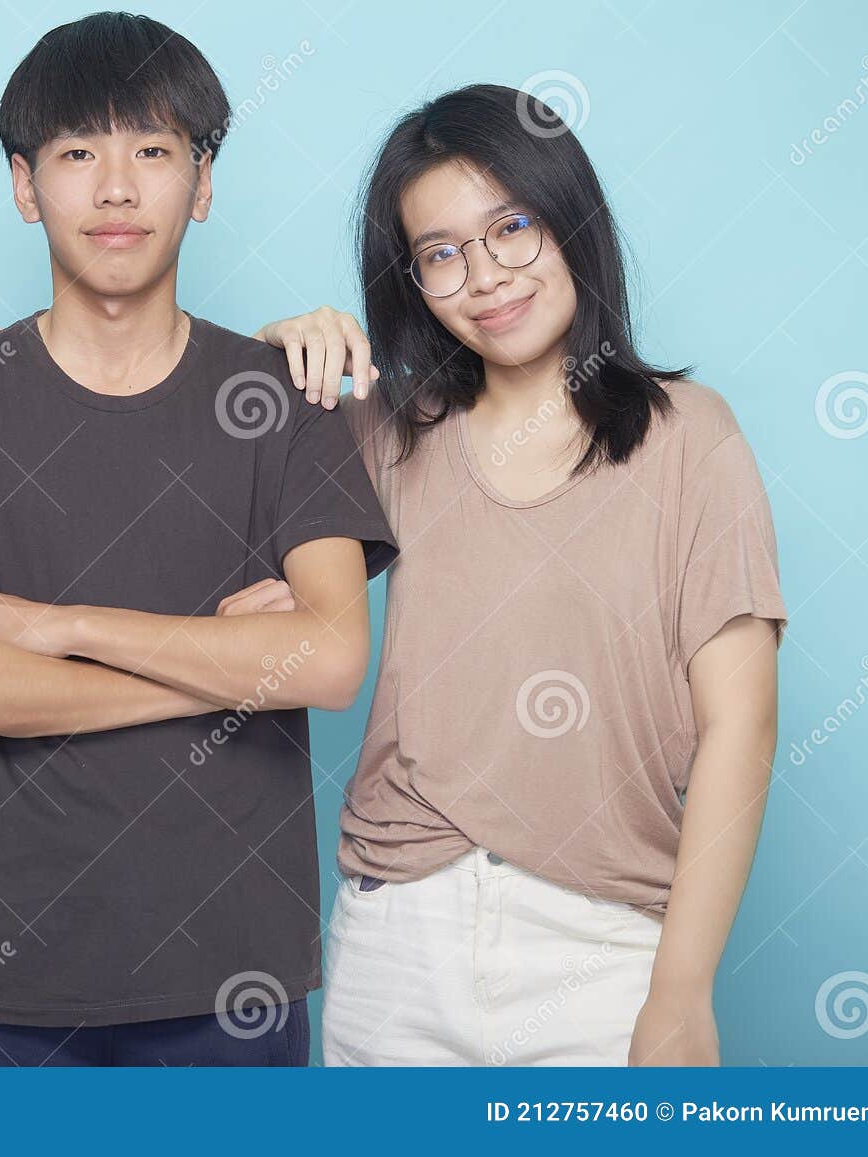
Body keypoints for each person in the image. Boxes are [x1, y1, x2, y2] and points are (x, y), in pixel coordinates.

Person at [0, 12, 396, 1067]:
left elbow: (327, 658)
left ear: (203, 182)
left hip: (231, 981)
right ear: (21, 184)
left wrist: (58, 628)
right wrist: (227, 670)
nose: (114, 188)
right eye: (76, 154)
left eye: (152, 151)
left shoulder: (283, 398)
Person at [320, 84, 787, 1066]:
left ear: (569, 220)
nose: (482, 274)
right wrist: (284, 349)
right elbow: (210, 534)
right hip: (397, 939)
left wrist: (680, 991)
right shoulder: (383, 439)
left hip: (605, 946)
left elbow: (739, 725)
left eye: (511, 228)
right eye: (439, 252)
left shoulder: (689, 437)